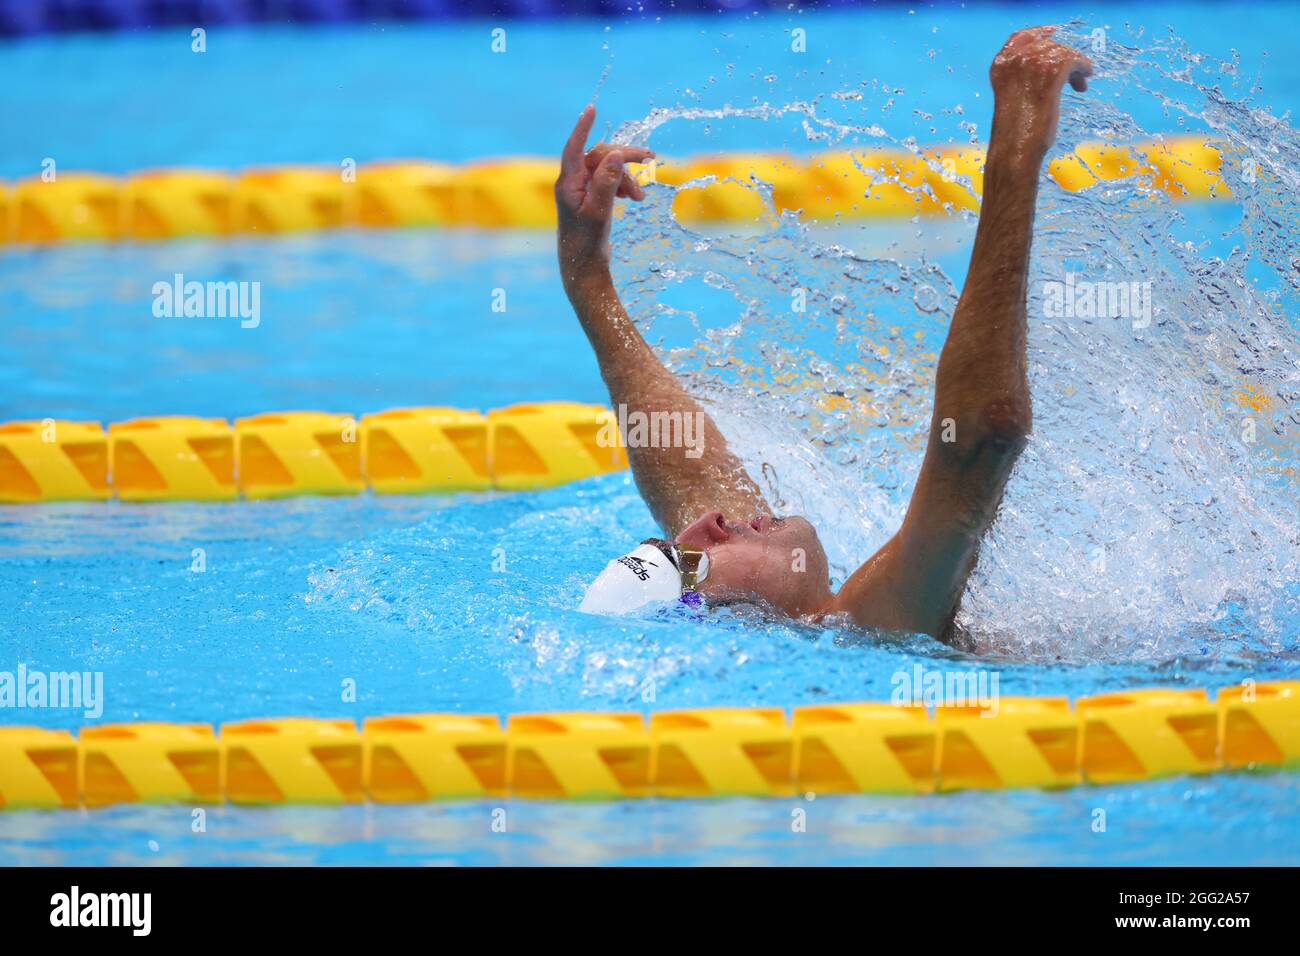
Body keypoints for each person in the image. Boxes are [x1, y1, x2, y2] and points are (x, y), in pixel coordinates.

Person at [558, 27, 1093, 641]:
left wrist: (586, 273)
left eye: (672, 540)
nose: (703, 523)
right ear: (724, 624)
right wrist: (1015, 149)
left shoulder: (749, 596)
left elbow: (677, 454)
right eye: (689, 557)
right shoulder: (870, 629)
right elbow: (984, 435)